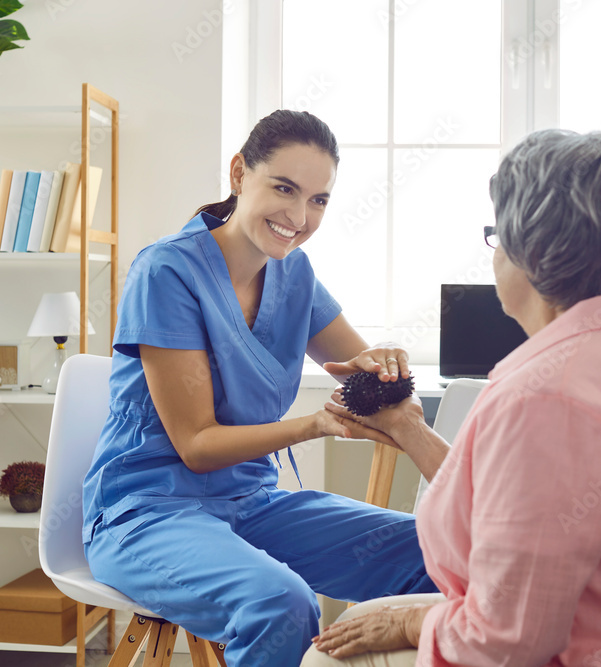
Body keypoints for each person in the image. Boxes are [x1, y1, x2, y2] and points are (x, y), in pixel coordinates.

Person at [306, 129, 601, 666]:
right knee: (357, 622)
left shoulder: (549, 398)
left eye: (497, 236)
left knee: (327, 657)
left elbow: (508, 640)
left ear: (531, 253)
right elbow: (514, 507)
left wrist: (416, 621)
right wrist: (408, 427)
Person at [81, 109, 437, 667]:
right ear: (239, 172)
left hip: (251, 505)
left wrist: (385, 371)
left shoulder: (295, 275)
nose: (299, 216)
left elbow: (361, 372)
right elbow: (196, 446)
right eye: (284, 188)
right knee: (281, 604)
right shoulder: (167, 273)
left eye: (319, 200)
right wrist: (316, 424)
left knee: (437, 549)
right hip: (149, 514)